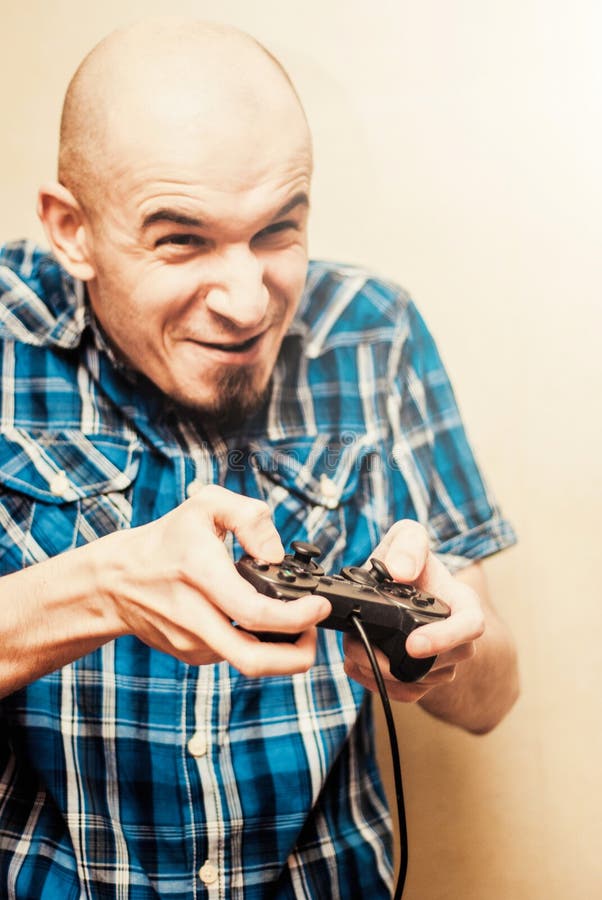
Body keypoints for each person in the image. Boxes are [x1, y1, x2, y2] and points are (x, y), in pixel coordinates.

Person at [0, 18, 519, 899]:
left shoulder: (377, 332)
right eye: (182, 240)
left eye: (279, 230)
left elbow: (494, 693)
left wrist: (438, 648)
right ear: (71, 229)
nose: (247, 303)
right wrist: (99, 589)